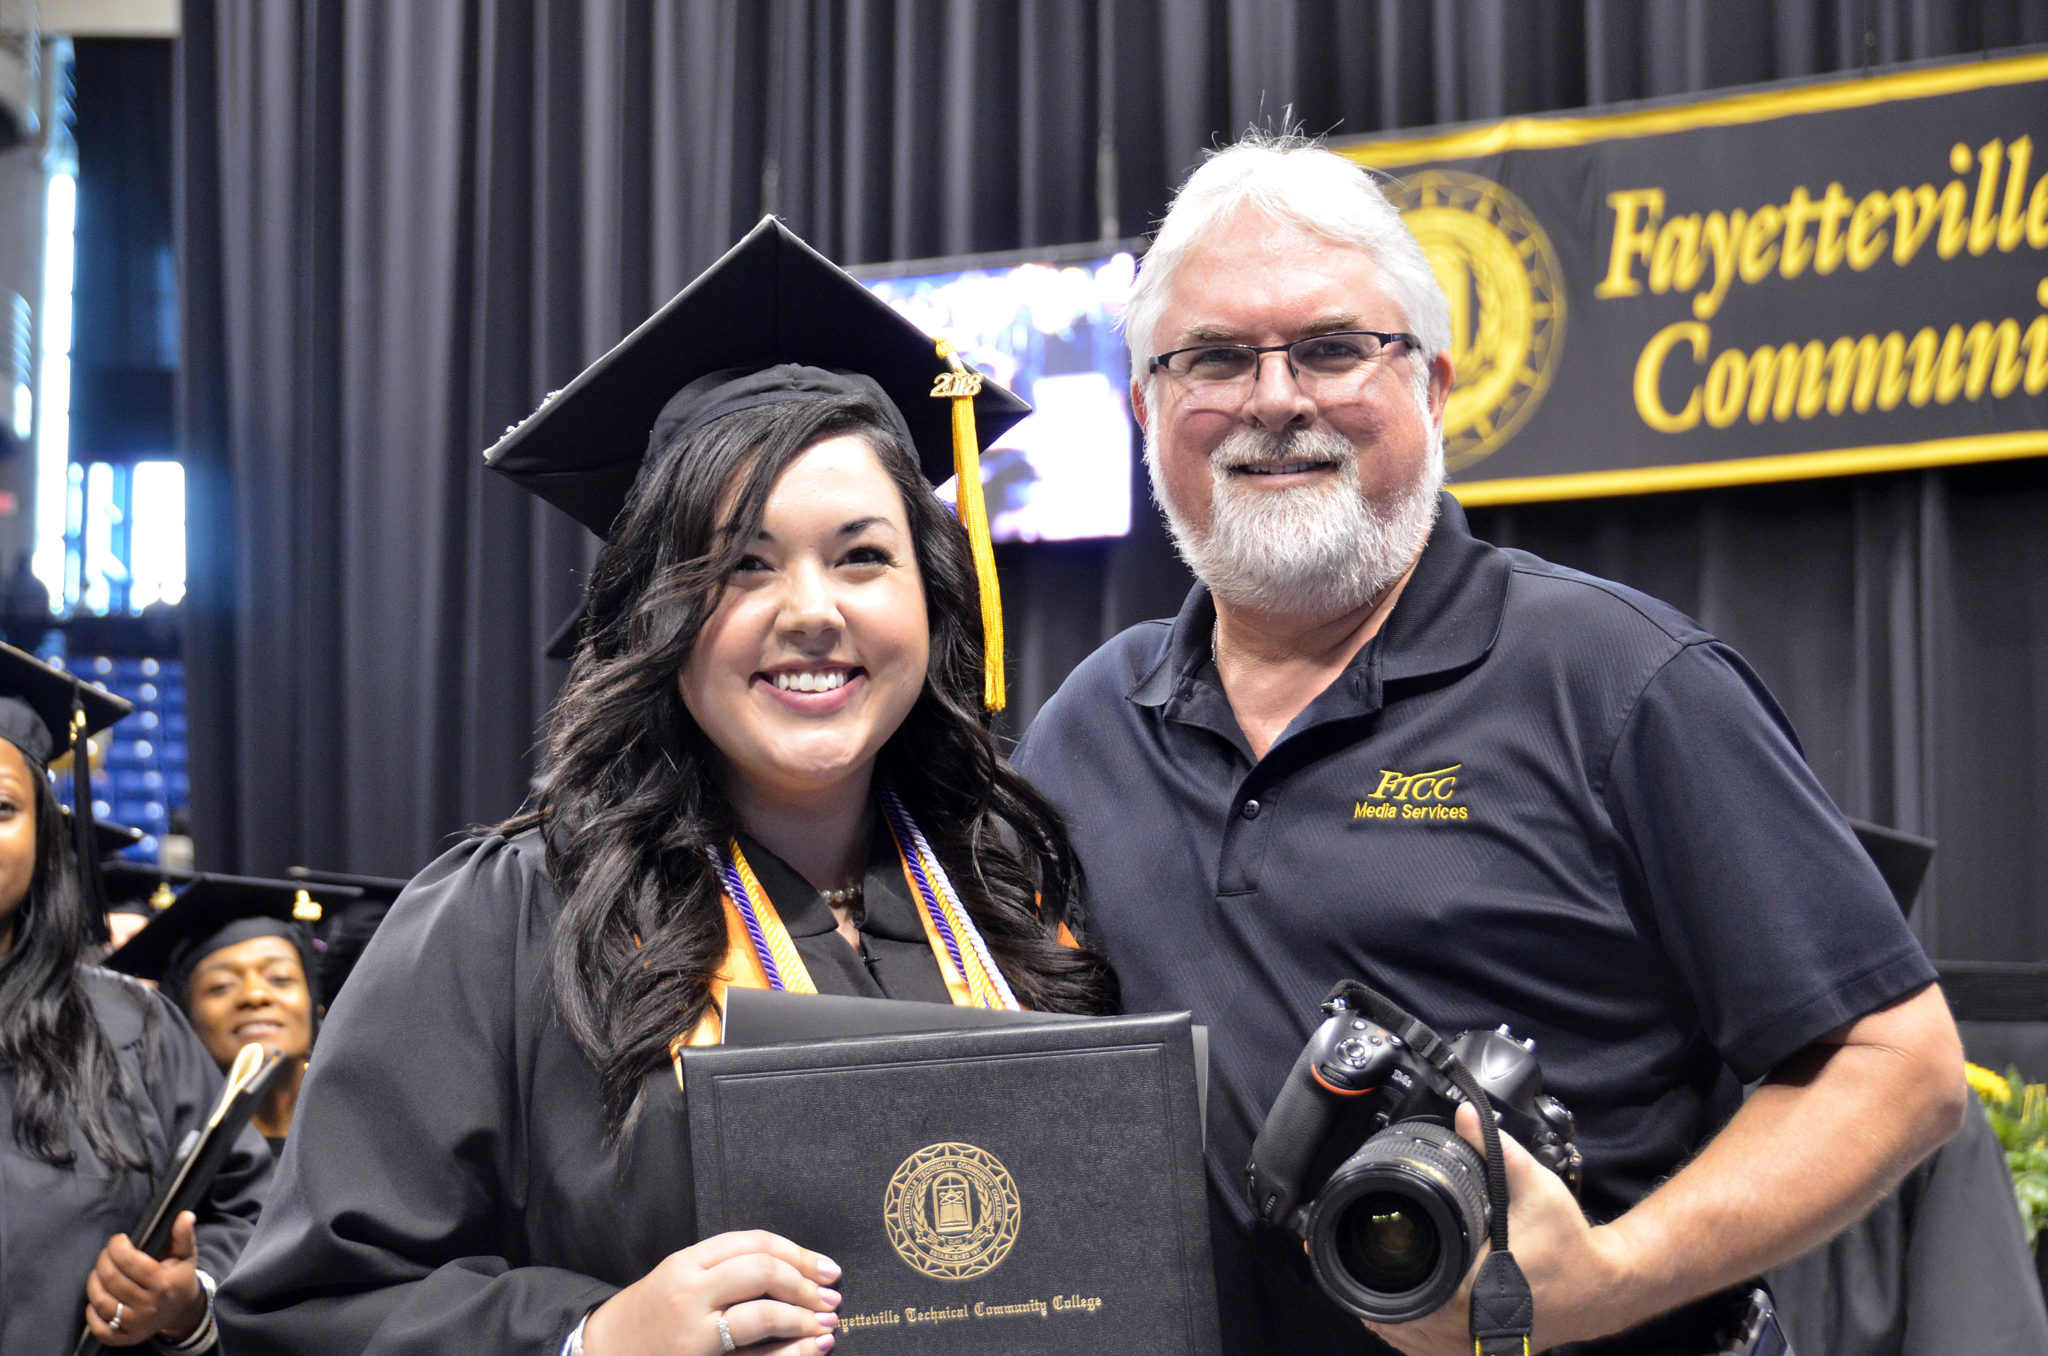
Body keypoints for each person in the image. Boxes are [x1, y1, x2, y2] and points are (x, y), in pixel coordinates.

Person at [1012, 133, 1967, 1355]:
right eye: (1212, 357)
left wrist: (1610, 1275)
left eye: (1330, 347)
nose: (1273, 397)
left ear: (1432, 385)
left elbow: (1897, 1065)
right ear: (1145, 406)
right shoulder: (1088, 723)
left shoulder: (1616, 679)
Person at [217, 219, 1118, 1356]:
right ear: (656, 616)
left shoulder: (1011, 895)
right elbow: (298, 1308)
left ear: (933, 600)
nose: (810, 609)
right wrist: (589, 1341)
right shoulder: (510, 919)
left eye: (861, 556)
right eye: (740, 562)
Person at [0, 643, 271, 1353]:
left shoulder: (133, 1027)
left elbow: (248, 1210)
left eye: (1, 807)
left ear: (44, 837)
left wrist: (186, 1303)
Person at [105, 873, 346, 1156]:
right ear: (185, 1022)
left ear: (316, 1008)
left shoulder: (362, 1136)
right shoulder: (158, 1156)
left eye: (280, 979)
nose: (255, 996)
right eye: (221, 987)